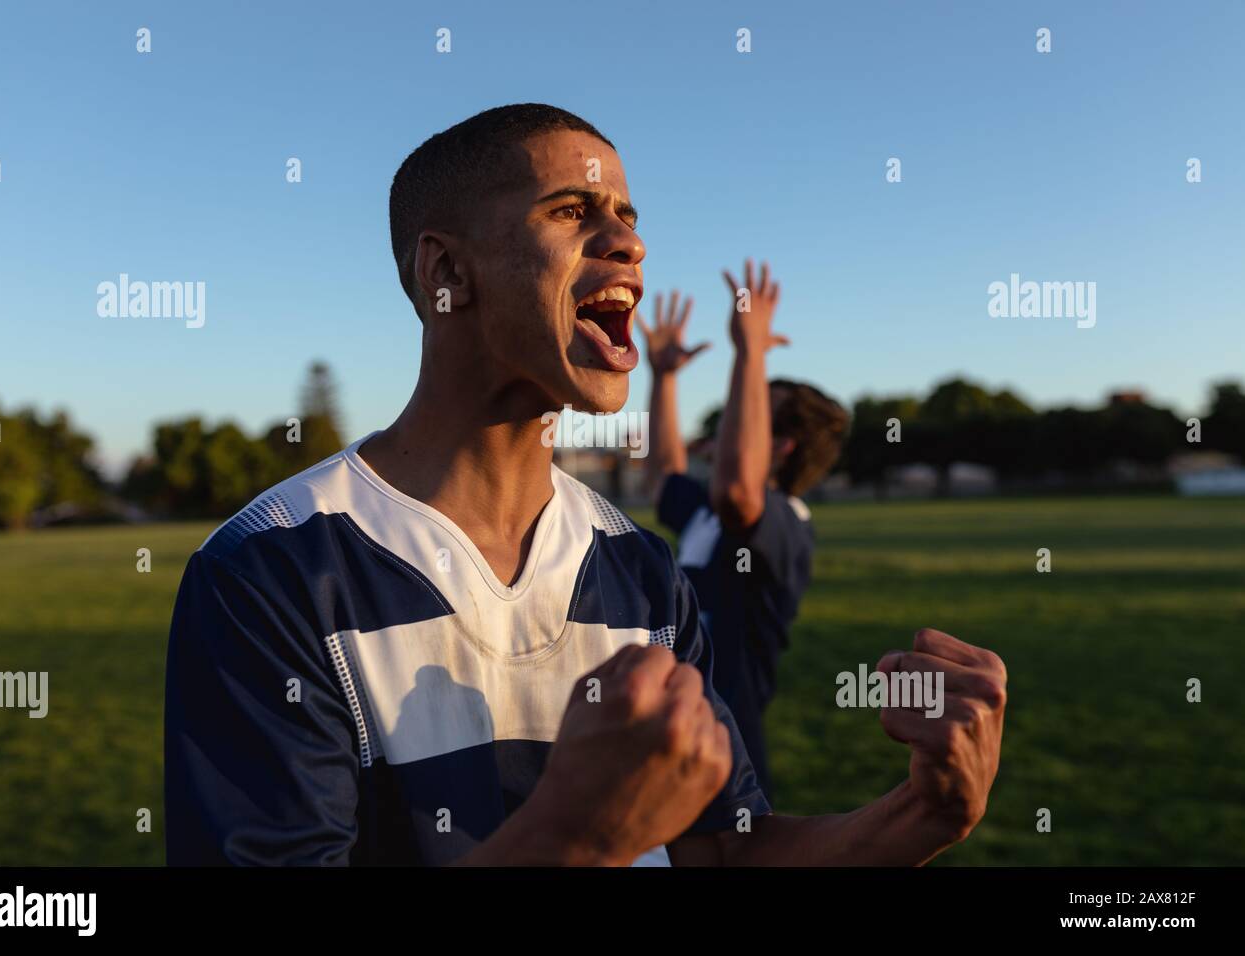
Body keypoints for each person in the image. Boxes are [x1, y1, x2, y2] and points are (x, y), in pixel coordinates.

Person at [164, 103, 1006, 866]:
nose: (629, 243)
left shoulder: (640, 569)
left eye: (629, 218)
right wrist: (572, 837)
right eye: (571, 211)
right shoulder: (268, 572)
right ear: (445, 271)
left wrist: (919, 817)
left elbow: (717, 854)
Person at [640, 267, 850, 802]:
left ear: (782, 446)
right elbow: (661, 478)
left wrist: (750, 352)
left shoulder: (785, 526)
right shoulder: (711, 515)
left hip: (725, 753)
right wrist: (664, 378)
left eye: (754, 403)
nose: (736, 409)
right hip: (669, 734)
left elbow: (739, 491)